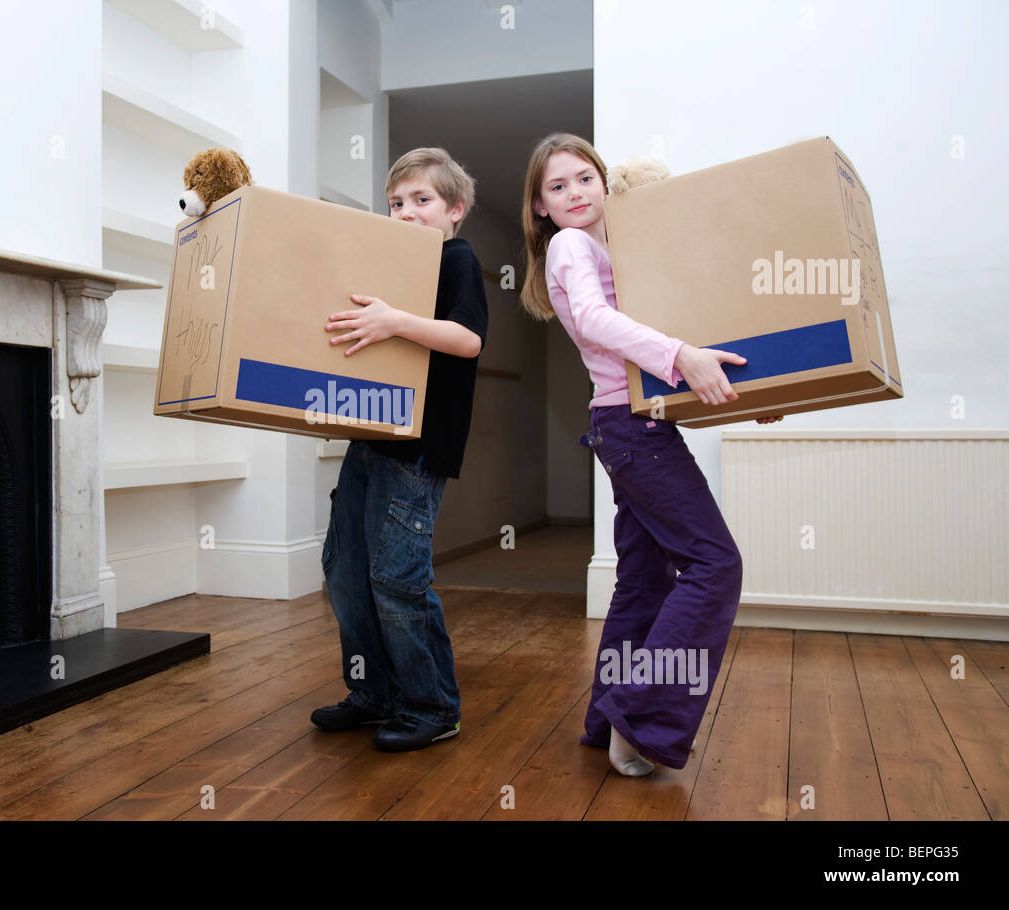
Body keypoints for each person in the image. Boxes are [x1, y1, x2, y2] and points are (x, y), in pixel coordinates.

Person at [518, 132, 781, 775]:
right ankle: (642, 720)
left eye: (585, 178)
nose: (575, 193)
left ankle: (611, 717)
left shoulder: (616, 249)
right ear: (541, 209)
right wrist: (680, 355)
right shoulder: (570, 245)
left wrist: (743, 392)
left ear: (605, 184)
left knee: (643, 578)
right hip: (632, 431)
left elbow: (668, 325)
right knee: (715, 564)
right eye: (557, 187)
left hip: (630, 424)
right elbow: (597, 320)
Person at [311, 148, 488, 752]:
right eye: (396, 203)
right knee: (344, 569)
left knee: (397, 577)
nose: (406, 213)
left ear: (454, 210)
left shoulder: (457, 258)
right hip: (372, 438)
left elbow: (466, 339)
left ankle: (431, 705)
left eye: (422, 201)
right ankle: (372, 692)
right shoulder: (390, 266)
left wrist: (394, 322)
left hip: (417, 448)